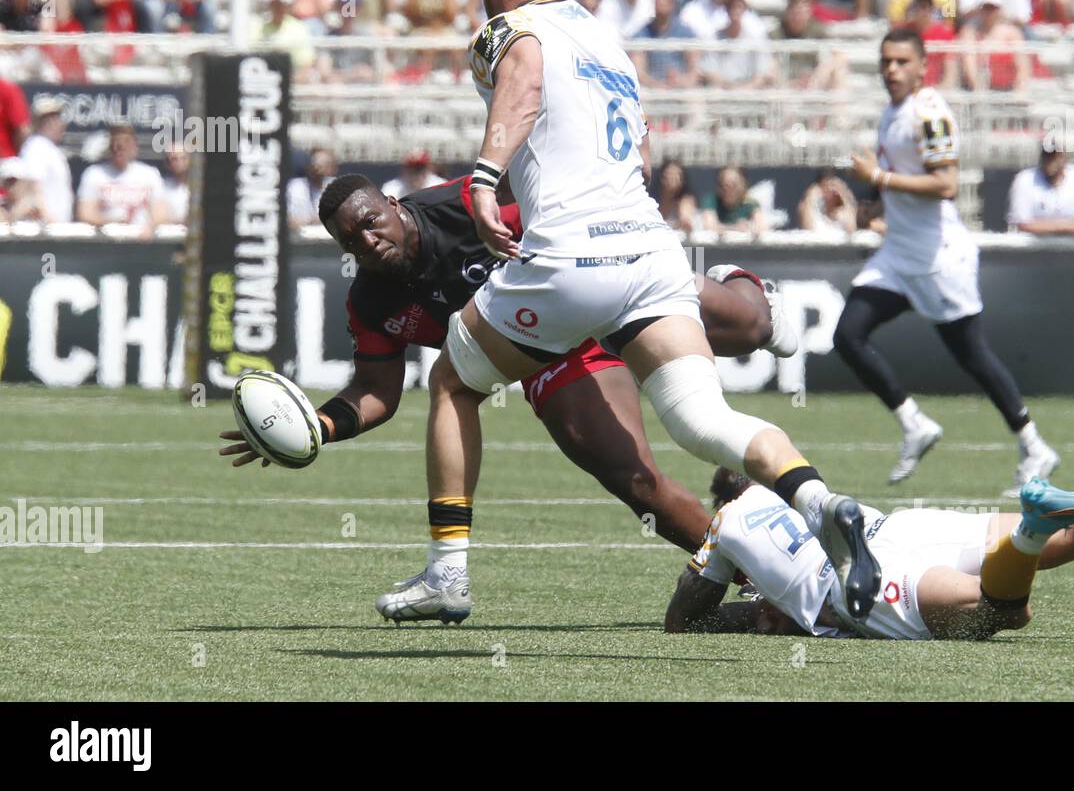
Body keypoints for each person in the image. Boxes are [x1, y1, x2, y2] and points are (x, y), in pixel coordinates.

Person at [404, 0, 883, 626]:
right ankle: (820, 501)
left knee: (452, 381)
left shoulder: (505, 28)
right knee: (701, 419)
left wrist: (482, 178)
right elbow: (643, 152)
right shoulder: (606, 39)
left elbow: (526, 81)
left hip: (567, 258)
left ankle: (447, 572)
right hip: (649, 249)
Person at [218, 172, 797, 623]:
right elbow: (376, 391)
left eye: (372, 222)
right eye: (352, 240)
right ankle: (750, 570)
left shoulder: (467, 204)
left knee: (750, 328)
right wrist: (315, 426)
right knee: (636, 483)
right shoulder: (371, 300)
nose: (368, 241)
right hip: (548, 353)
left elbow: (564, 205)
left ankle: (747, 287)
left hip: (593, 281)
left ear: (394, 204)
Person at [666, 421, 1074, 639]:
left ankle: (1031, 528)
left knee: (1003, 613)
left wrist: (757, 609)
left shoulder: (729, 521)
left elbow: (684, 621)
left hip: (852, 589)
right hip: (894, 528)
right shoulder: (797, 492)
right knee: (1073, 540)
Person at [833, 28, 1058, 493]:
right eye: (885, 62)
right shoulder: (890, 114)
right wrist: (871, 206)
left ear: (922, 66)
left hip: (939, 257)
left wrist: (878, 177)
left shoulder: (930, 113)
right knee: (848, 335)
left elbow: (946, 184)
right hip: (898, 253)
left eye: (900, 62)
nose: (891, 70)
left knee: (972, 356)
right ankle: (914, 423)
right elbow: (893, 182)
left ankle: (1034, 445)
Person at [75, 126, 166, 233]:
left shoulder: (150, 174)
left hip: (141, 238)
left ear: (135, 147)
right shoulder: (94, 173)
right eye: (116, 144)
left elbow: (161, 215)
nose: (120, 148)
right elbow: (85, 214)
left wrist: (149, 227)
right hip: (105, 238)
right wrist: (111, 222)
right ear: (109, 147)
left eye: (125, 143)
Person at [1007, 142, 1074, 236]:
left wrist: (1042, 226)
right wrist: (1068, 226)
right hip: (1035, 251)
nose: (1050, 162)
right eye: (1046, 156)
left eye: (1054, 157)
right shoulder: (1025, 179)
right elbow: (1022, 225)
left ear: (1063, 157)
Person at [18, 97, 73, 223]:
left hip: (57, 226)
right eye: (55, 118)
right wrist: (50, 220)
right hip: (44, 228)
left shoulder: (50, 148)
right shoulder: (35, 147)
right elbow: (33, 188)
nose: (60, 123)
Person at [698, 165, 768, 235]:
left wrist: (749, 226)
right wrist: (735, 228)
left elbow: (762, 228)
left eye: (733, 184)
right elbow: (709, 227)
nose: (728, 189)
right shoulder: (711, 200)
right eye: (724, 184)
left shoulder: (750, 202)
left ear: (743, 185)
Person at [286, 148, 338, 229]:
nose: (318, 168)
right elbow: (285, 219)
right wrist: (310, 221)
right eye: (315, 163)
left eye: (323, 164)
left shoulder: (336, 187)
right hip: (299, 236)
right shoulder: (294, 187)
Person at [798, 169, 857, 234]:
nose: (830, 190)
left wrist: (844, 195)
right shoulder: (810, 209)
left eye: (833, 185)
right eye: (825, 186)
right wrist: (810, 197)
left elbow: (851, 231)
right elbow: (808, 229)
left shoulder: (843, 214)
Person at [650, 157, 697, 233]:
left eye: (676, 175)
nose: (672, 178)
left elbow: (686, 224)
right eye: (668, 174)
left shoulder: (686, 201)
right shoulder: (652, 200)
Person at [160, 144, 190, 224]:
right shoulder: (161, 186)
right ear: (167, 164)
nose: (179, 162)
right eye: (174, 159)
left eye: (183, 158)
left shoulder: (199, 187)